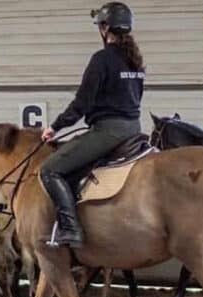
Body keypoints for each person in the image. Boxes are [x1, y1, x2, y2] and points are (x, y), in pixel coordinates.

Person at [39, 2, 145, 248]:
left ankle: (70, 229)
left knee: (50, 170)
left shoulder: (102, 59)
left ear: (105, 28)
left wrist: (55, 127)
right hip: (134, 129)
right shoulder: (136, 60)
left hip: (109, 131)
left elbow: (82, 103)